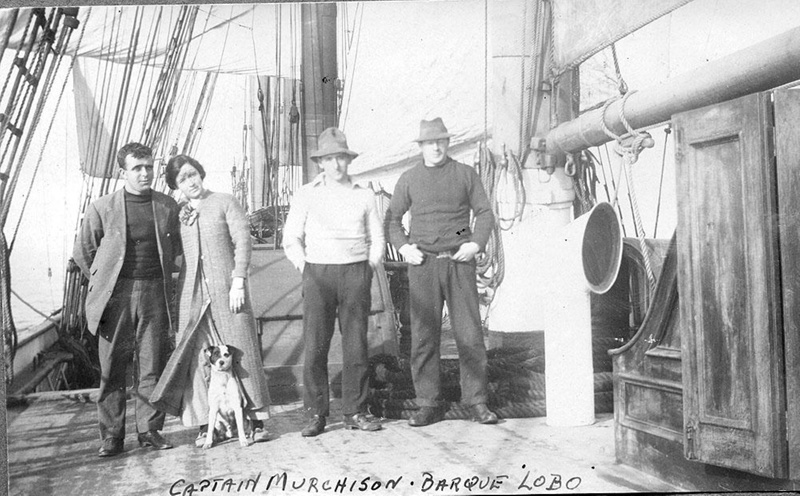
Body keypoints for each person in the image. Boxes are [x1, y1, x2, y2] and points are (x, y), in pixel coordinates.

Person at [150, 154, 271, 447]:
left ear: (201, 174)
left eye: (193, 174)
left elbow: (243, 240)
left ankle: (256, 420)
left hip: (229, 290)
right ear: (175, 185)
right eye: (183, 179)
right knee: (197, 357)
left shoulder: (225, 201)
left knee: (241, 349)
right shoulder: (178, 214)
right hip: (193, 297)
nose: (191, 182)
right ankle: (206, 424)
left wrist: (239, 280)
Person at [387, 117, 499, 427]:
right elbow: (392, 220)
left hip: (460, 263)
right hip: (423, 265)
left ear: (447, 143)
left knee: (470, 335)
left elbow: (485, 212)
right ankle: (428, 403)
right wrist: (404, 247)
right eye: (429, 142)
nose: (435, 147)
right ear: (421, 146)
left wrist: (476, 243)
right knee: (424, 337)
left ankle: (476, 401)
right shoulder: (409, 179)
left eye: (440, 141)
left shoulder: (465, 174)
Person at [73, 142, 181, 457]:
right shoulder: (102, 207)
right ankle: (112, 437)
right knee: (112, 367)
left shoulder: (167, 206)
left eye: (148, 166)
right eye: (137, 168)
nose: (145, 173)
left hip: (154, 293)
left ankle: (149, 431)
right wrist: (106, 281)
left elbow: (176, 251)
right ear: (124, 172)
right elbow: (85, 252)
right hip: (115, 294)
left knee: (152, 365)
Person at [283, 127, 384, 437]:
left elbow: (377, 237)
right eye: (329, 159)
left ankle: (356, 410)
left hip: (355, 272)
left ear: (347, 160)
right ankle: (316, 413)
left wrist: (368, 267)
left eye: (340, 158)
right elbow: (291, 238)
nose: (336, 165)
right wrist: (305, 268)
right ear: (320, 163)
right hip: (318, 274)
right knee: (315, 345)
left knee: (356, 345)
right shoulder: (306, 194)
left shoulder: (364, 195)